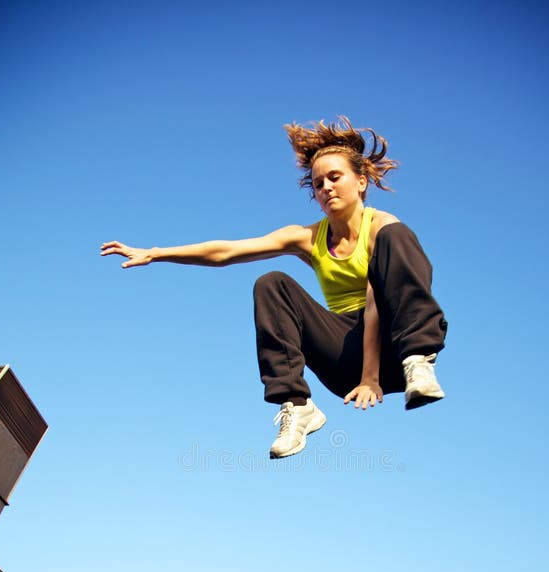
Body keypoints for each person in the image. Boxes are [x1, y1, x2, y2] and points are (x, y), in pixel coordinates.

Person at [101, 116, 447, 459]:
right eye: (317, 183)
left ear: (360, 181)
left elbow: (375, 302)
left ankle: (418, 358)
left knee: (397, 237)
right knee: (272, 283)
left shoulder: (379, 227)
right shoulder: (308, 237)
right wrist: (156, 252)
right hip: (345, 361)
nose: (325, 187)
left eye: (335, 177)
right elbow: (227, 251)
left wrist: (371, 377)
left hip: (391, 346)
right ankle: (297, 407)